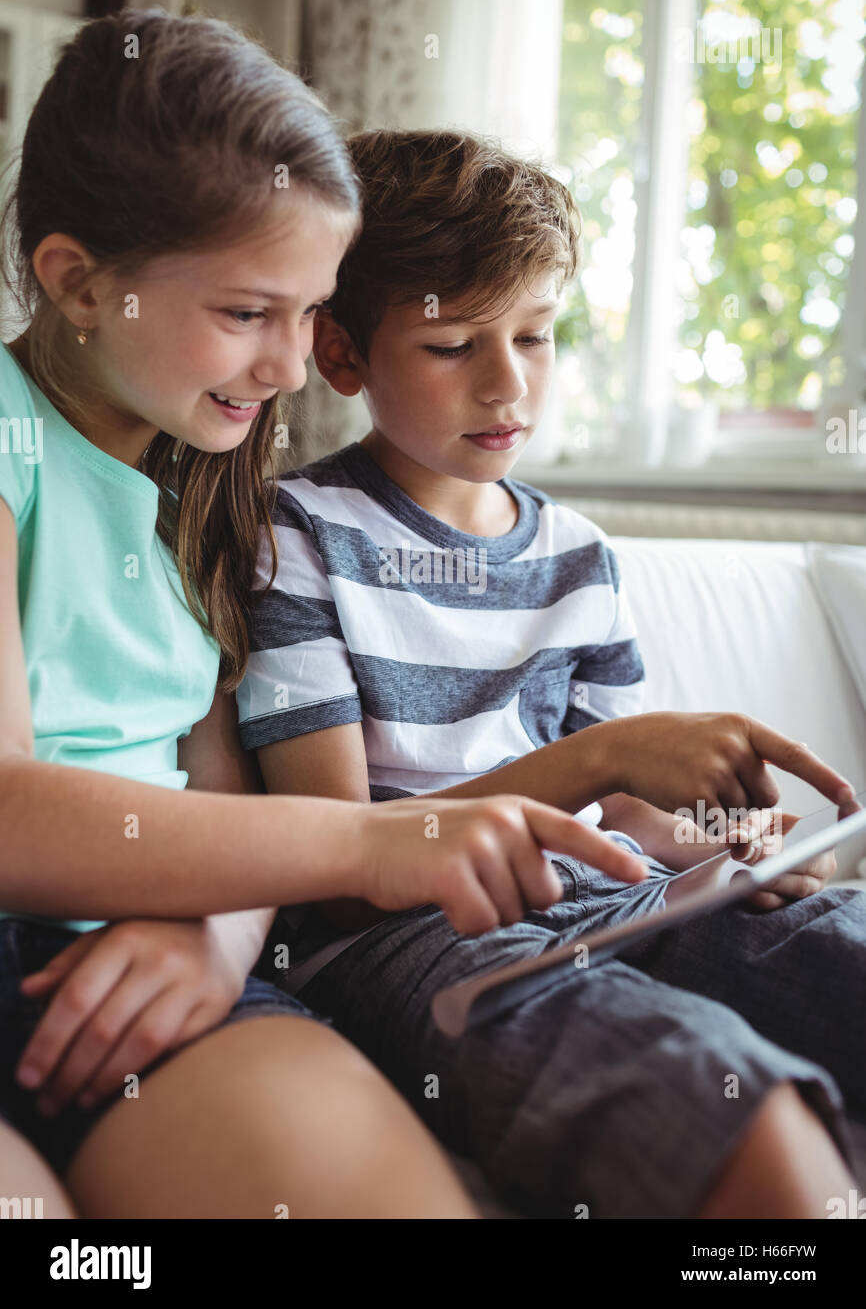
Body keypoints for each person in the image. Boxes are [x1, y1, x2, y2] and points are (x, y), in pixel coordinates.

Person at [0, 14, 621, 1220]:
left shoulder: (216, 481)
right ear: (78, 282)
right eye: (247, 313)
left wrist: (219, 941)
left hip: (160, 947)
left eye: (311, 310)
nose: (293, 365)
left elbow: (218, 785)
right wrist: (367, 843)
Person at [235, 128, 866, 1219]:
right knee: (705, 1091)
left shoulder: (576, 553)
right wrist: (602, 756)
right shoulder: (293, 533)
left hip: (620, 896)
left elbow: (626, 815)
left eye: (535, 336)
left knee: (826, 943)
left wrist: (727, 838)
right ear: (342, 355)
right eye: (452, 347)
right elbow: (334, 859)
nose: (505, 383)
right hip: (406, 935)